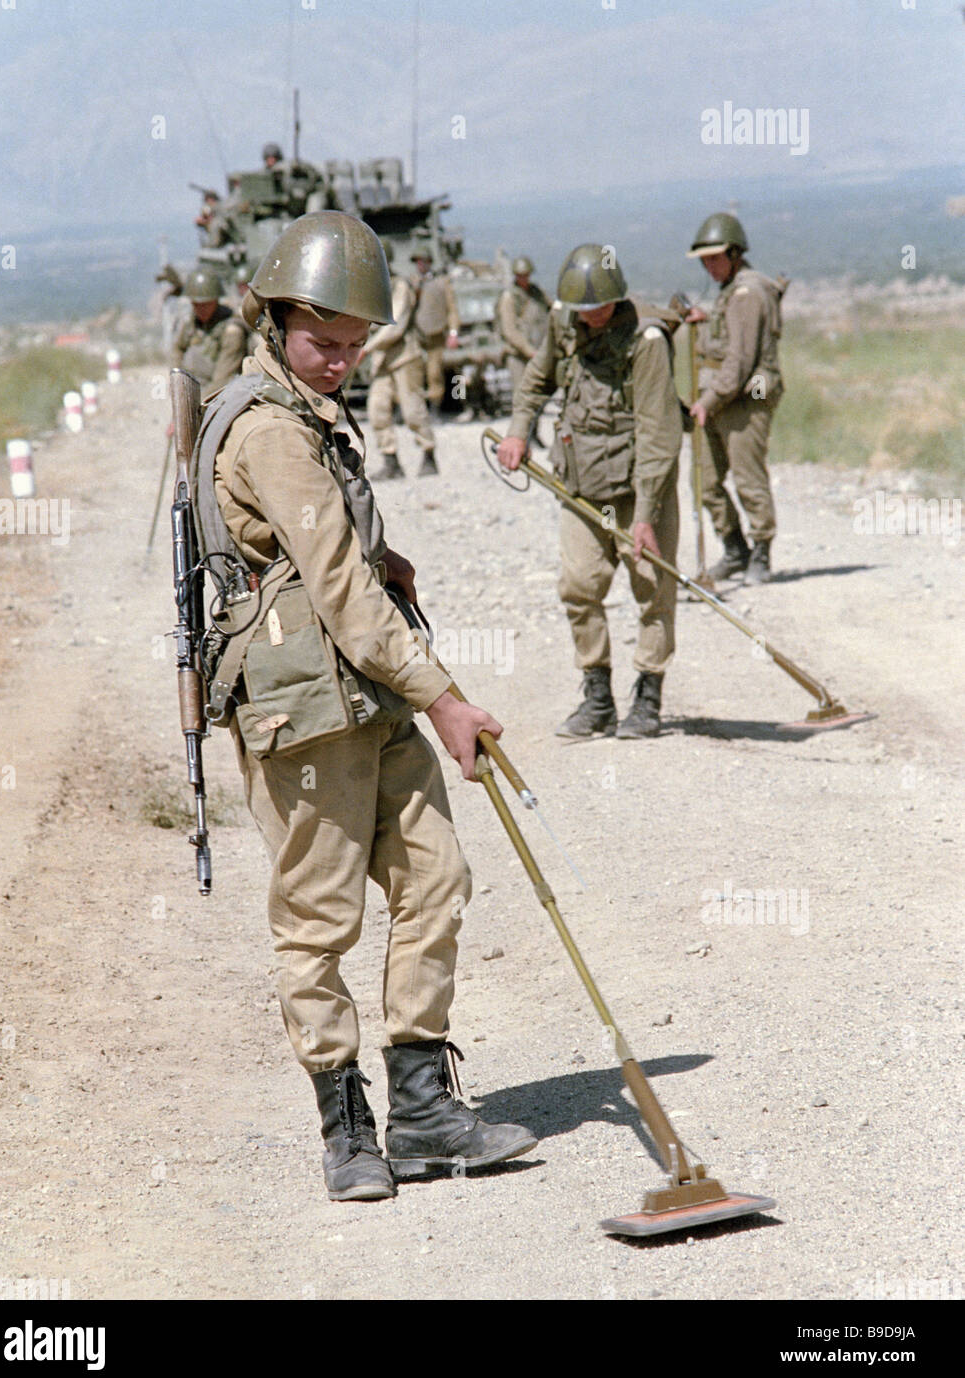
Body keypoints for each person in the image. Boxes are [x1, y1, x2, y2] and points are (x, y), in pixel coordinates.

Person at [201, 211, 536, 1201]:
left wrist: (380, 563)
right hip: (306, 716)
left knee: (436, 881)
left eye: (356, 344)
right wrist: (447, 700)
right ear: (278, 319)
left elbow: (338, 566)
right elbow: (338, 593)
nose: (342, 360)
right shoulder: (269, 430)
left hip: (370, 692)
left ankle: (426, 1110)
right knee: (319, 923)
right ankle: (347, 1129)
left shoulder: (312, 411)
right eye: (324, 342)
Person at [496, 243, 682, 739]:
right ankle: (597, 697)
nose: (588, 318)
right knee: (578, 587)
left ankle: (648, 695)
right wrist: (518, 430)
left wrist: (645, 514)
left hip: (641, 488)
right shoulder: (564, 323)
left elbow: (659, 435)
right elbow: (537, 380)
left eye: (597, 309)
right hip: (581, 486)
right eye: (580, 310)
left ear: (618, 300)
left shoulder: (647, 342)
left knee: (654, 590)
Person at [685, 213, 785, 584]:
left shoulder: (749, 292)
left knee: (747, 476)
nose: (709, 267)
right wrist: (704, 318)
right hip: (720, 395)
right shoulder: (732, 291)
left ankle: (761, 552)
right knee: (705, 482)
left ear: (734, 253)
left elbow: (741, 363)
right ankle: (735, 549)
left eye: (715, 258)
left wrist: (707, 402)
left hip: (746, 397)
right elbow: (729, 339)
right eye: (704, 260)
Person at [360, 240, 438, 479]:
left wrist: (366, 349)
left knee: (413, 410)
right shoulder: (367, 288)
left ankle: (428, 455)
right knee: (377, 409)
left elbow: (395, 326)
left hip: (404, 356)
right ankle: (391, 460)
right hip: (382, 360)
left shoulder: (399, 286)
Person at [170, 268, 250, 397]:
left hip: (222, 395)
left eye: (206, 304)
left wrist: (198, 404)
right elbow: (177, 350)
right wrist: (178, 383)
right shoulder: (190, 323)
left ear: (216, 300)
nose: (201, 309)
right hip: (192, 389)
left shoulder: (232, 331)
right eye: (196, 304)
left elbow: (223, 379)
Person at [410, 245, 460, 419]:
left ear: (430, 262)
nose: (420, 265)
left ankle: (437, 407)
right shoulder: (412, 283)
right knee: (412, 374)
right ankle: (410, 410)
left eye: (423, 261)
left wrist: (453, 333)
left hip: (437, 335)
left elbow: (452, 309)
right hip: (415, 336)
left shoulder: (442, 282)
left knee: (435, 374)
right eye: (418, 262)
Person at [496, 255, 551, 402]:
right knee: (522, 396)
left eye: (526, 275)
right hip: (518, 354)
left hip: (537, 350)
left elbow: (551, 310)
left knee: (537, 394)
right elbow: (510, 331)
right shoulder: (509, 298)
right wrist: (528, 350)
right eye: (521, 276)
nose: (524, 279)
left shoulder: (537, 293)